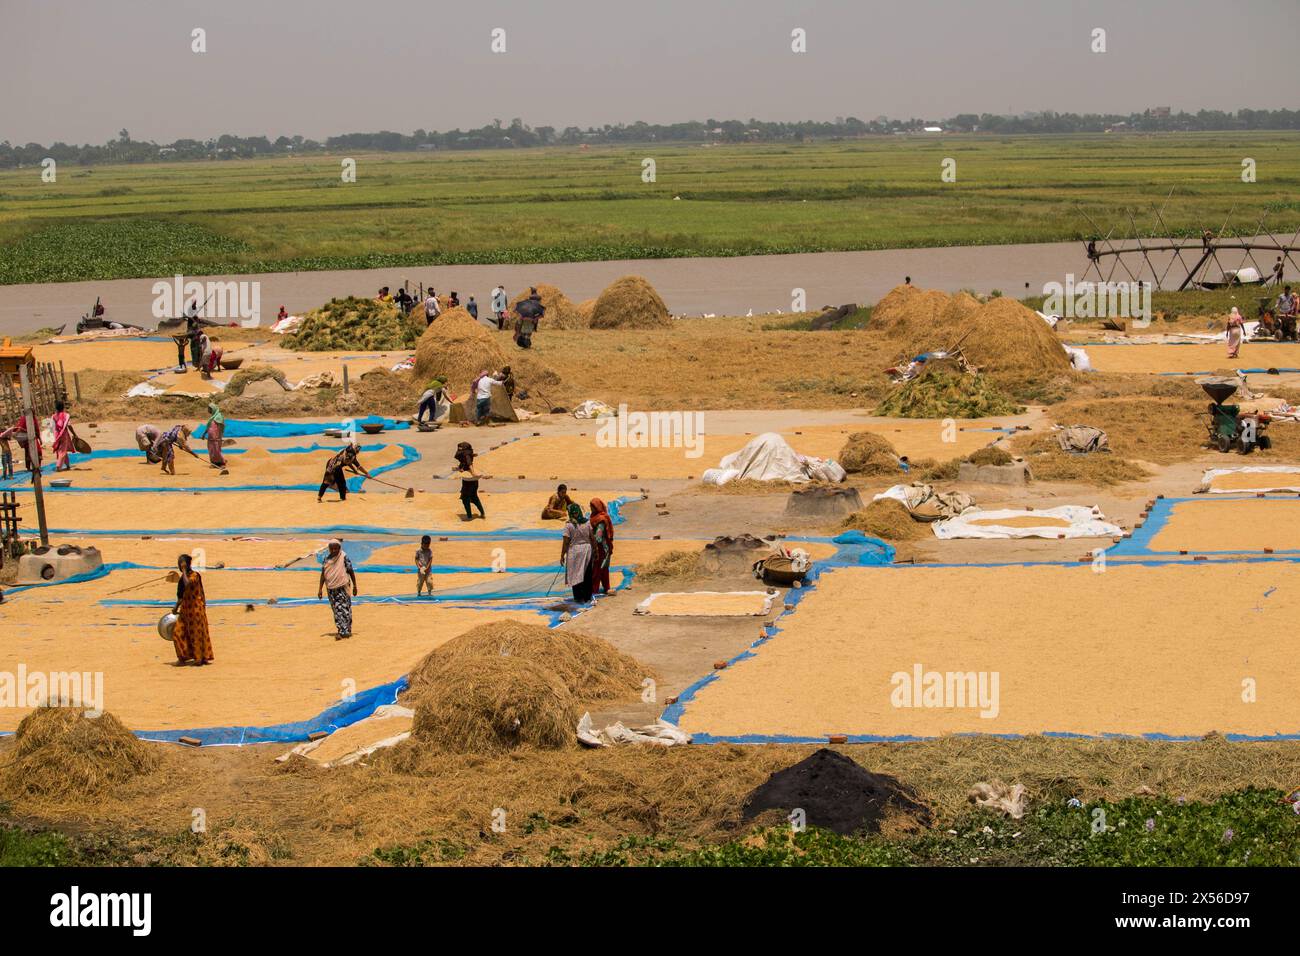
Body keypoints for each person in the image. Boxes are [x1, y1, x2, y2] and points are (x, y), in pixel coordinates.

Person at [170, 553, 214, 665]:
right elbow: (181, 596)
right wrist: (175, 608)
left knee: (196, 635)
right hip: (185, 611)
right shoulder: (182, 579)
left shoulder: (195, 576)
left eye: (181, 564)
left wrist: (184, 571)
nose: (179, 567)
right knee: (178, 633)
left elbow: (188, 584)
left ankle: (199, 658)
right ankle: (183, 658)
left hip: (196, 610)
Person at [317, 540, 358, 639]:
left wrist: (355, 586)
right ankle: (344, 630)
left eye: (336, 548)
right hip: (331, 588)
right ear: (329, 549)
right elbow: (323, 574)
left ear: (339, 548)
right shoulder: (326, 559)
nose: (334, 550)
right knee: (336, 609)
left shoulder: (343, 557)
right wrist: (320, 589)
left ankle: (344, 631)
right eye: (332, 548)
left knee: (343, 608)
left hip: (343, 586)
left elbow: (350, 571)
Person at [560, 502, 594, 603]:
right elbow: (592, 538)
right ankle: (587, 596)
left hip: (574, 551)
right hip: (587, 550)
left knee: (575, 574)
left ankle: (578, 597)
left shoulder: (569, 525)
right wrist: (595, 551)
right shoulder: (587, 523)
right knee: (587, 573)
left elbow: (566, 541)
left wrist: (562, 555)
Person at [454, 442, 487, 520]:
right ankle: (482, 513)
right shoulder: (468, 454)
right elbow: (465, 464)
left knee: (465, 499)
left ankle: (469, 516)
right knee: (474, 496)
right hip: (474, 481)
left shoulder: (466, 455)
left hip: (468, 480)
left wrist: (473, 473)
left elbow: (469, 464)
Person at [589, 498, 614, 596]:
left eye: (592, 506)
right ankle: (605, 587)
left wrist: (591, 540)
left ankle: (595, 588)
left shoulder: (601, 519)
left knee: (598, 568)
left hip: (601, 547)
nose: (590, 508)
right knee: (601, 568)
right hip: (597, 546)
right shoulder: (594, 517)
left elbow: (598, 537)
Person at [51, 400, 74, 472]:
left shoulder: (54, 416)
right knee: (62, 451)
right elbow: (69, 426)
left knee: (62, 450)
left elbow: (52, 426)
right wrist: (74, 434)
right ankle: (58, 466)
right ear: (63, 407)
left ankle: (67, 465)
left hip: (57, 434)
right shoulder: (66, 415)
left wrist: (55, 435)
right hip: (64, 434)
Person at [204, 402, 227, 467]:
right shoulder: (212, 418)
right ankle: (214, 463)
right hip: (210, 438)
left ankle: (222, 463)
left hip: (216, 438)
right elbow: (208, 427)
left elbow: (221, 427)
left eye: (209, 409)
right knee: (211, 450)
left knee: (217, 450)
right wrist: (204, 434)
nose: (208, 410)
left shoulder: (218, 416)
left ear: (213, 409)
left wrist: (219, 436)